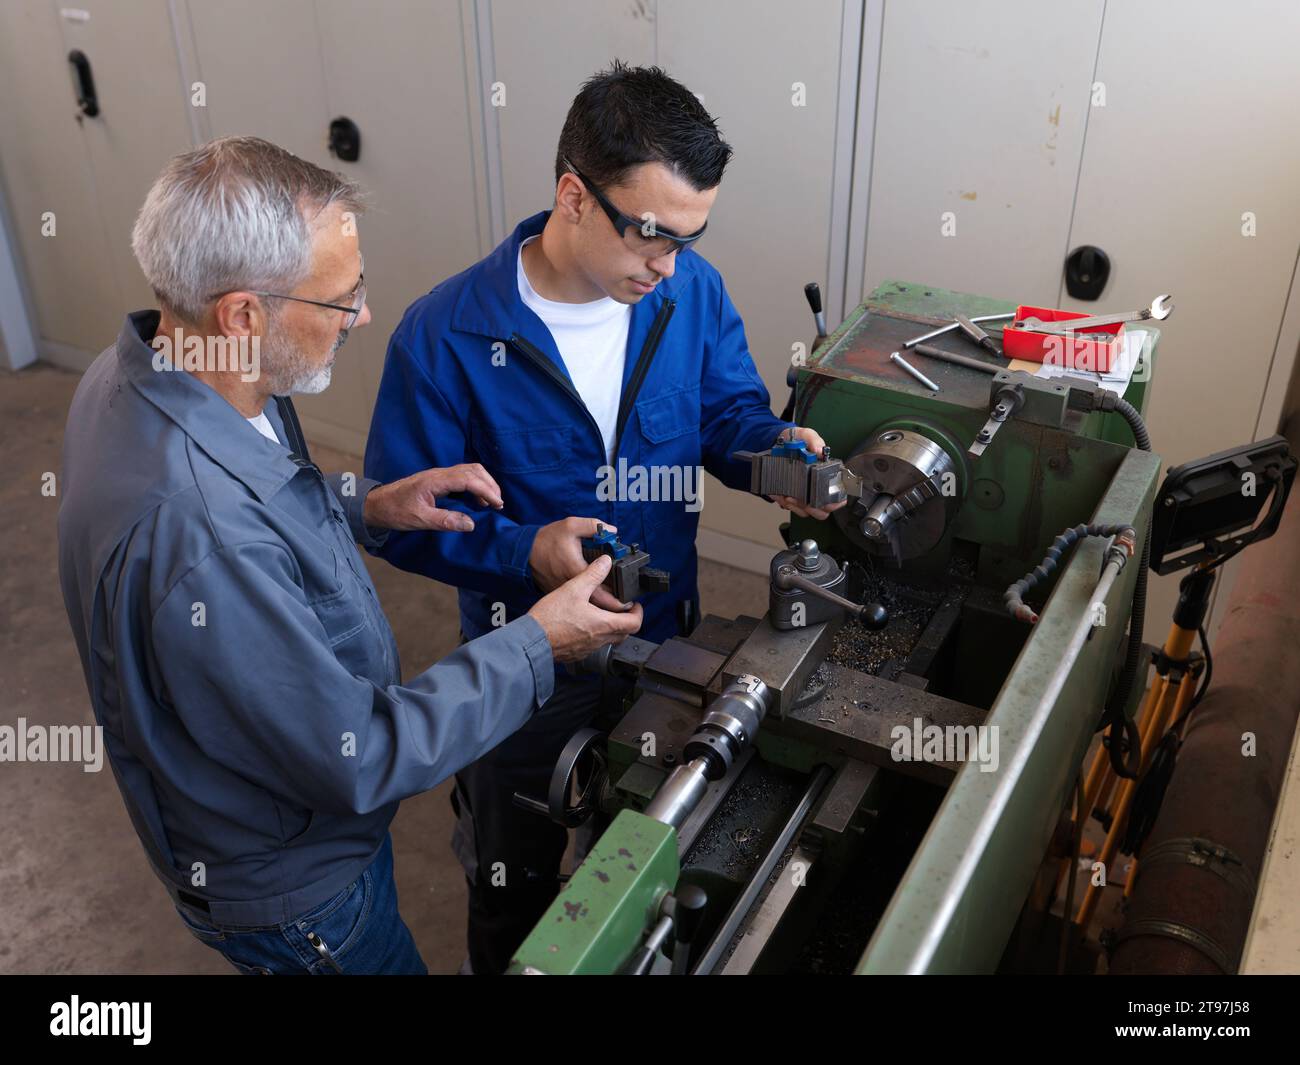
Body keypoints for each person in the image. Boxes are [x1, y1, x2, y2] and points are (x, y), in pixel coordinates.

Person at [57, 137, 641, 975]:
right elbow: (361, 753)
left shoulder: (167, 368)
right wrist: (539, 642)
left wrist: (361, 506)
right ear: (243, 315)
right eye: (341, 299)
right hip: (302, 893)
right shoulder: (201, 535)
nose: (362, 317)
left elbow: (253, 491)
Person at [364, 63, 842, 973]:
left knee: (645, 876)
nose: (668, 264)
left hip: (669, 654)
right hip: (526, 674)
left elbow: (723, 417)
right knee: (517, 898)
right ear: (574, 196)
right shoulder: (444, 338)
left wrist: (775, 453)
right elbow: (398, 521)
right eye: (652, 234)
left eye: (689, 238)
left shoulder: (687, 293)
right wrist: (525, 550)